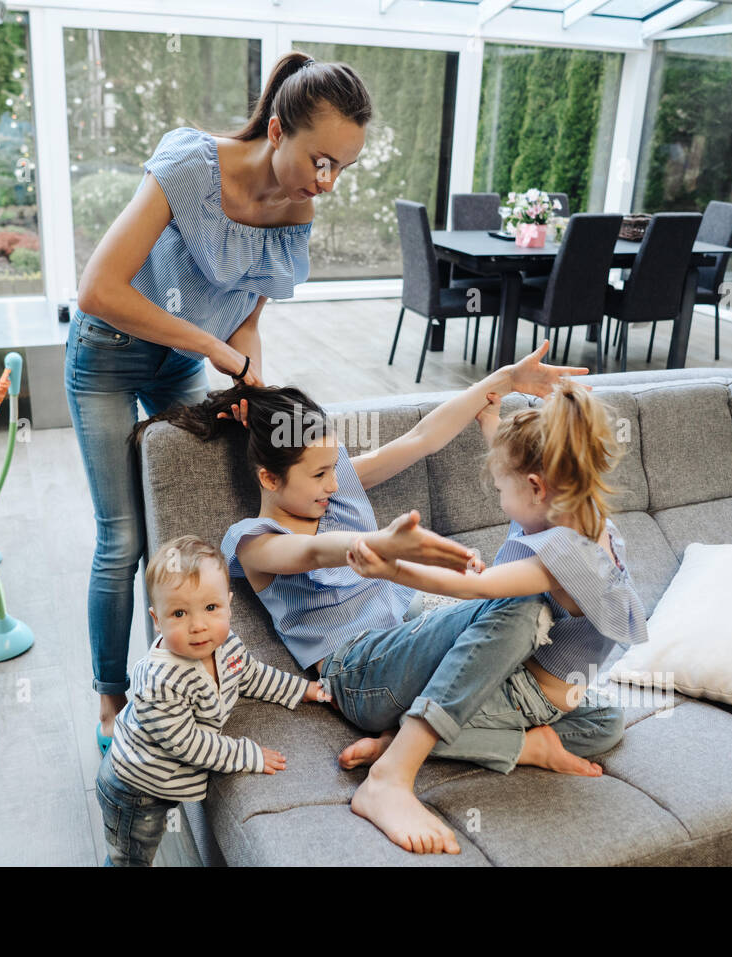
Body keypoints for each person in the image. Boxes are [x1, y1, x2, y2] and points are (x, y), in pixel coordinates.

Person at [133, 343, 611, 854]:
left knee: (600, 722)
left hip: (416, 640)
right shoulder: (254, 541)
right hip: (360, 673)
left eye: (333, 466)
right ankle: (389, 779)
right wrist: (375, 545)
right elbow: (316, 552)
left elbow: (423, 438)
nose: (334, 483)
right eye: (318, 475)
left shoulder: (336, 492)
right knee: (521, 605)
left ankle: (407, 740)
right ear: (270, 478)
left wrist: (505, 378)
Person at [67, 51, 372, 754]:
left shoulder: (296, 211)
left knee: (172, 530)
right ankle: (113, 694)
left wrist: (247, 380)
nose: (325, 183)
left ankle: (175, 673)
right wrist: (214, 348)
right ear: (276, 129)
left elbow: (246, 321)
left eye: (341, 170)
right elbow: (98, 289)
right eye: (318, 160)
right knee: (123, 539)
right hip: (107, 350)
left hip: (184, 359)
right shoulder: (188, 167)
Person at [342, 377, 647, 778]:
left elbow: (476, 587)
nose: (501, 497)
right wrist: (492, 424)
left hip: (524, 695)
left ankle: (399, 741)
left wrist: (393, 569)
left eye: (502, 488)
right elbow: (523, 467)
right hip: (539, 686)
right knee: (607, 722)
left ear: (537, 487)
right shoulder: (585, 516)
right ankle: (510, 739)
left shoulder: (562, 558)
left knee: (604, 719)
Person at [97, 534, 332, 866]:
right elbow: (188, 744)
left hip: (163, 782)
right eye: (179, 613)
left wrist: (300, 689)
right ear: (157, 620)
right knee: (130, 859)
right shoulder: (159, 680)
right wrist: (246, 753)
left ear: (228, 604)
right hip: (135, 789)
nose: (199, 626)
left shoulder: (226, 645)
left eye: (211, 608)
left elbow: (251, 675)